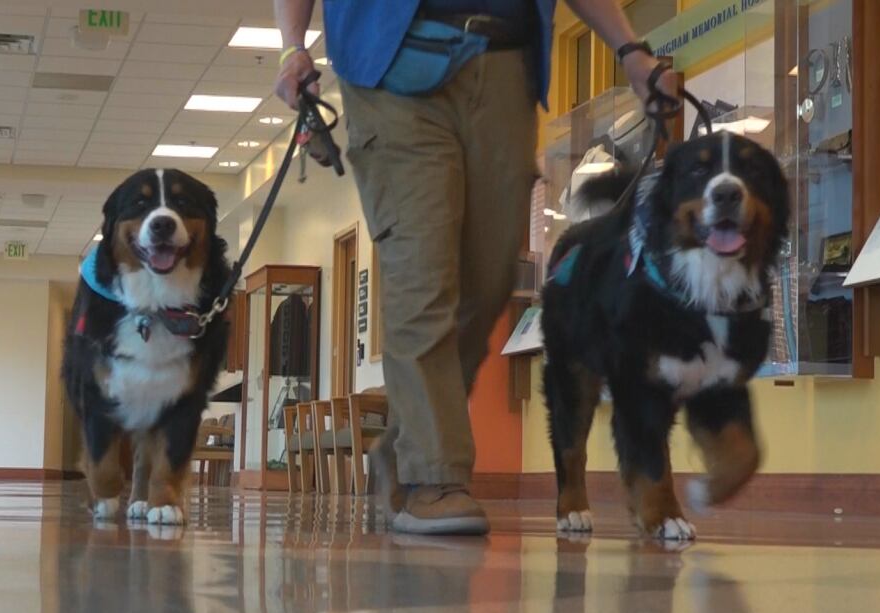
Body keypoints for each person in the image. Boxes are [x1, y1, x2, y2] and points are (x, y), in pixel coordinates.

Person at [273, 0, 677, 535]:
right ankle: (432, 476)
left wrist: (629, 49)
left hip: (505, 62)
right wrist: (293, 45)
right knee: (422, 271)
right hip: (392, 66)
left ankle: (403, 448)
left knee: (488, 283)